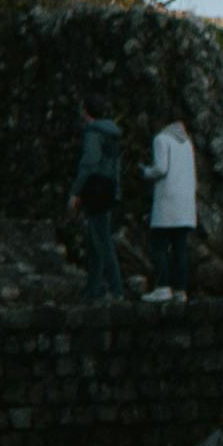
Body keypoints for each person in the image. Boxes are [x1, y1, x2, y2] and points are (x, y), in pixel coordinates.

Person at [71, 102, 130, 303]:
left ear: (86, 113)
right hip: (110, 188)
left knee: (101, 240)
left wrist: (75, 192)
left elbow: (89, 162)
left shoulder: (93, 132)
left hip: (96, 189)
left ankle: (116, 289)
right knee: (95, 239)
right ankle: (93, 288)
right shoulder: (113, 133)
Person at [146, 106, 198, 306]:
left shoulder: (161, 139)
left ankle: (162, 287)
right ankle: (181, 290)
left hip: (168, 201)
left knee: (159, 245)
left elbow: (161, 168)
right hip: (185, 203)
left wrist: (146, 173)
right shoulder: (186, 143)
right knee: (180, 249)